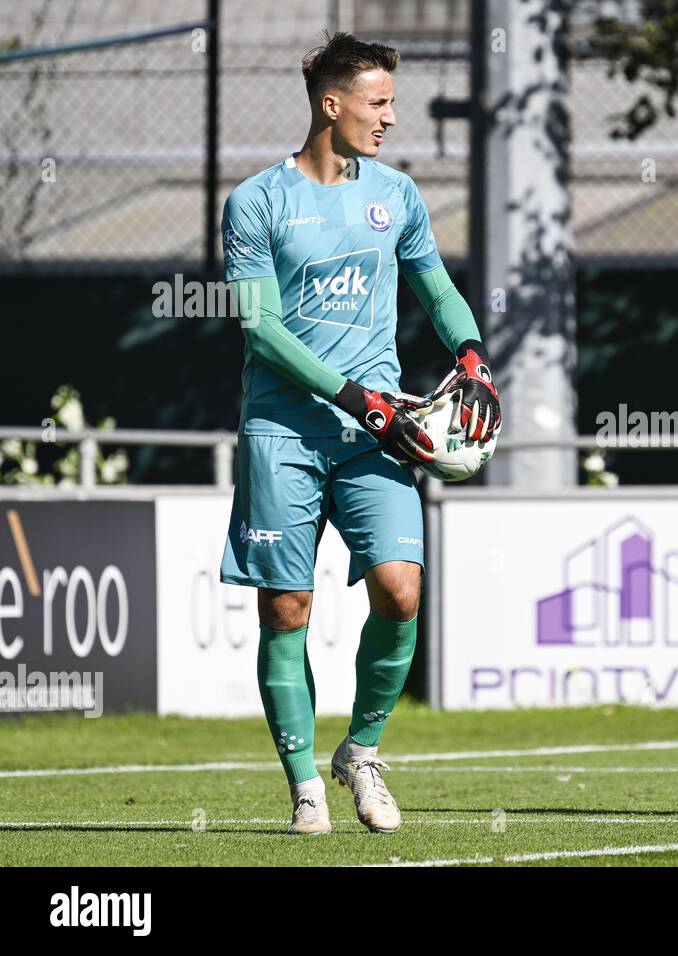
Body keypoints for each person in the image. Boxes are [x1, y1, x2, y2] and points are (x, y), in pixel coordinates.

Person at [220, 32, 500, 835]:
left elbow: (437, 288)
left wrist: (472, 353)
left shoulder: (397, 194)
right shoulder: (257, 201)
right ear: (330, 104)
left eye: (391, 104)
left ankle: (362, 753)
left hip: (376, 434)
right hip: (284, 430)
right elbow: (262, 330)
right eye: (378, 103)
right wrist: (355, 396)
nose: (390, 119)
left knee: (401, 590)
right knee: (286, 610)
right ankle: (305, 783)